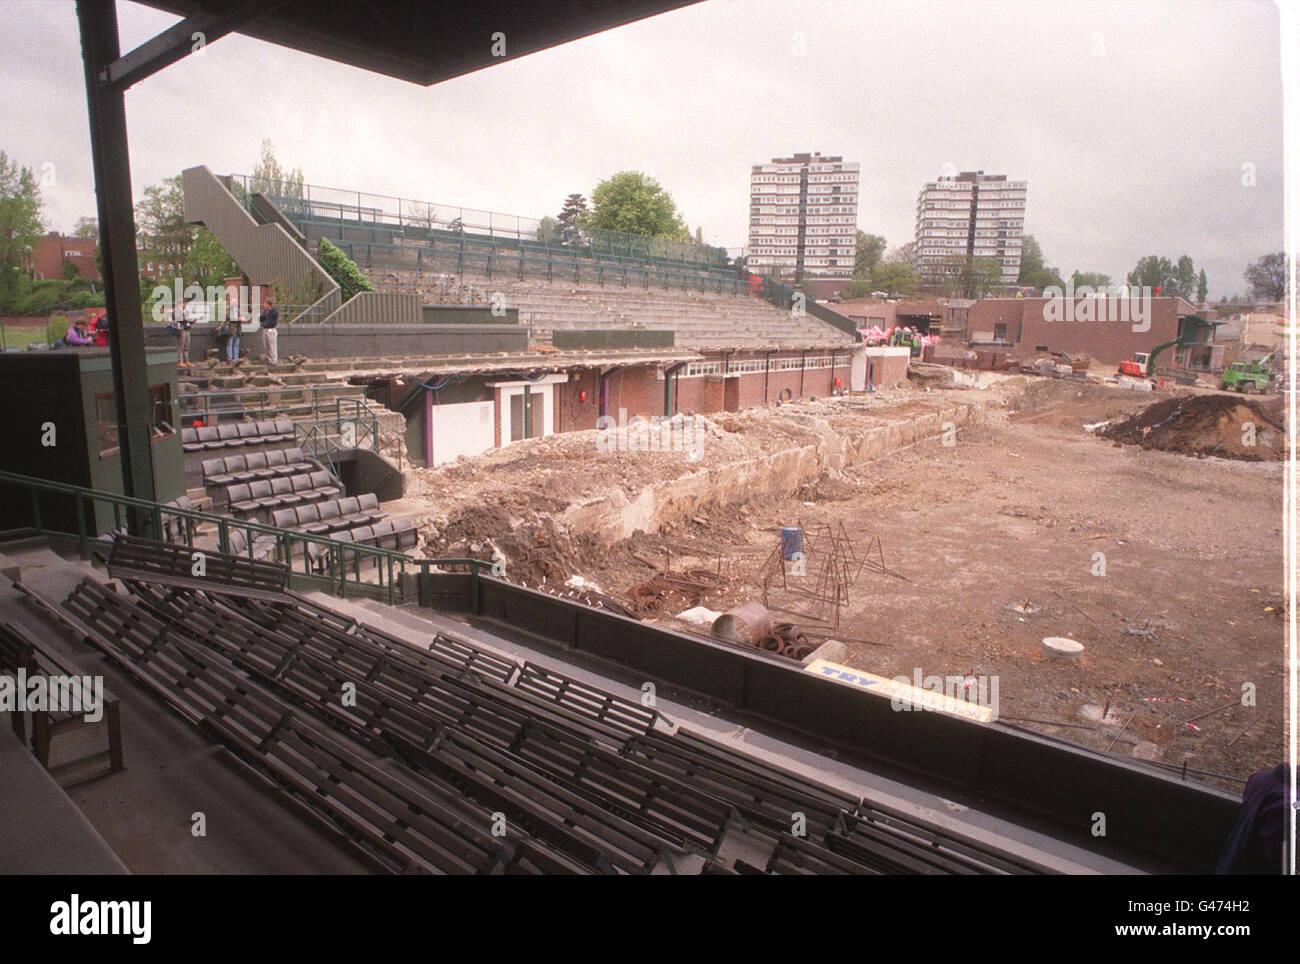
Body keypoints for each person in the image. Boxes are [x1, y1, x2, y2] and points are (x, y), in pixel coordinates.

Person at [259, 295, 279, 364]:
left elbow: (275, 313)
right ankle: (269, 360)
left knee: (272, 346)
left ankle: (274, 360)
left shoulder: (273, 311)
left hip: (271, 330)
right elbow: (260, 318)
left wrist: (269, 310)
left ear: (269, 305)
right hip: (265, 329)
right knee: (266, 346)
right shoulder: (265, 312)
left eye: (265, 304)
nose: (264, 305)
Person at [173, 298, 192, 368]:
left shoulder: (185, 311)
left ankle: (186, 360)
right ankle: (180, 361)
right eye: (184, 303)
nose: (185, 305)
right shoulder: (177, 311)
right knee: (181, 346)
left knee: (187, 346)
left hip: (187, 329)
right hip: (181, 329)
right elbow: (179, 319)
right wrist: (187, 319)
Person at [224, 294, 242, 362]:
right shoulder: (228, 309)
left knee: (236, 344)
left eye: (236, 302)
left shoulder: (238, 310)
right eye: (234, 302)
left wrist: (242, 319)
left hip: (238, 328)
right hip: (231, 329)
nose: (235, 304)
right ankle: (229, 358)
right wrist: (238, 319)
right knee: (230, 343)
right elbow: (229, 317)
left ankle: (236, 358)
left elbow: (240, 317)